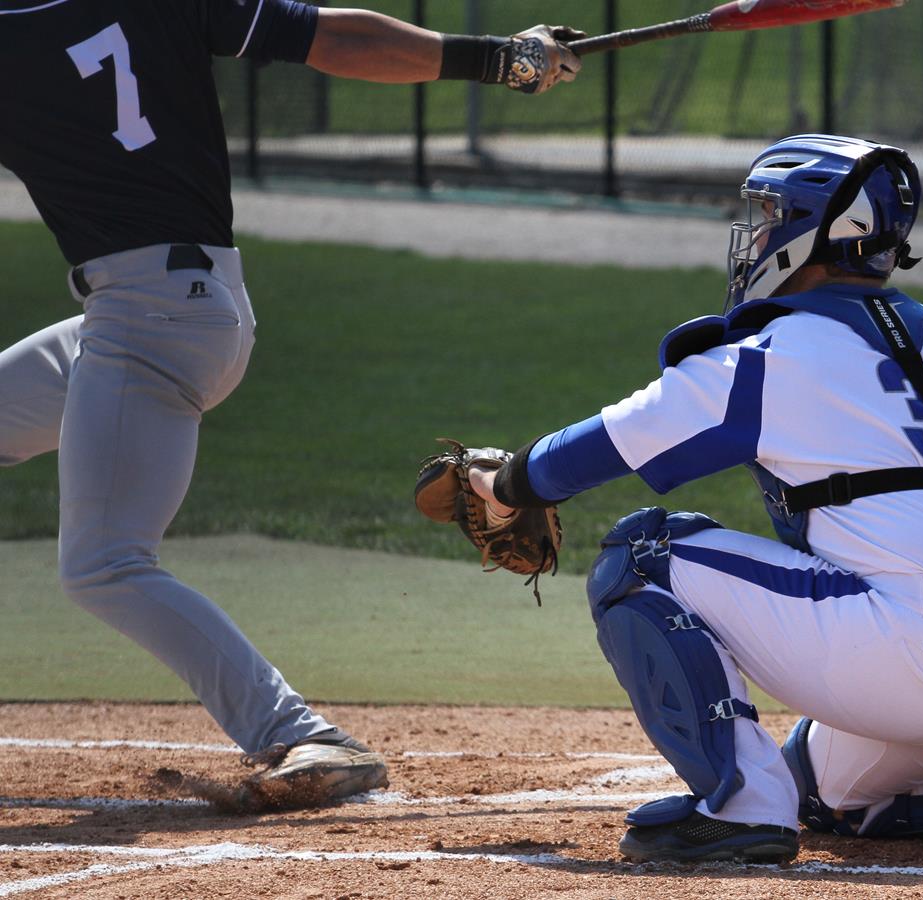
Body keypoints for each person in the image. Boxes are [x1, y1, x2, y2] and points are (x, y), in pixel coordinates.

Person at [459, 133, 923, 863]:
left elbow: (605, 443)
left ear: (806, 235)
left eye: (767, 216)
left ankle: (740, 811)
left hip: (903, 657)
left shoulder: (771, 355)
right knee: (824, 790)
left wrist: (505, 485)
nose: (755, 234)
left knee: (643, 554)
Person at [0, 0, 582, 808]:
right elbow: (336, 37)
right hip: (169, 309)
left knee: (103, 562)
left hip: (150, 321)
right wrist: (496, 59)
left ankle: (298, 733)